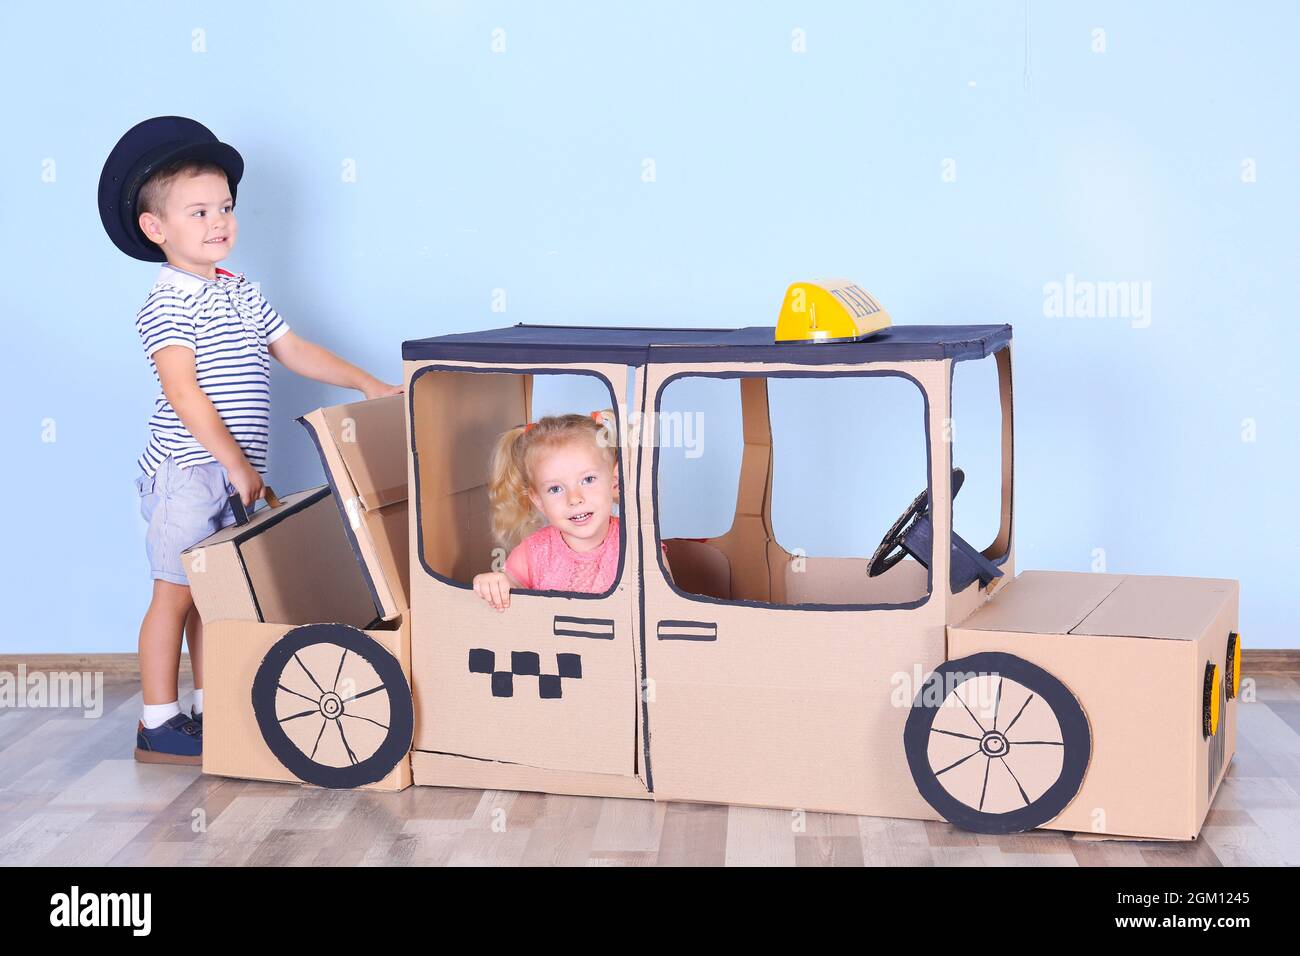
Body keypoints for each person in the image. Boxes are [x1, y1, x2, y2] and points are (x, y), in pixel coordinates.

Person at [99, 116, 401, 764]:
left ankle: (213, 706)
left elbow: (294, 350)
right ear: (157, 228)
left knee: (213, 595)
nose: (219, 221)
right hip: (188, 471)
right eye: (199, 210)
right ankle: (157, 721)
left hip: (233, 470)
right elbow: (185, 394)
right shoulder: (168, 302)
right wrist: (234, 462)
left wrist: (368, 385)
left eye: (226, 207)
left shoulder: (240, 293)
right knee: (174, 596)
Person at [472, 410, 670, 610]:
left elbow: (663, 608)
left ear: (615, 481)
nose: (574, 499)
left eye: (588, 479)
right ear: (538, 500)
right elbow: (509, 594)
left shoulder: (641, 547)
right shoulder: (532, 553)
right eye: (555, 489)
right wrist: (495, 585)